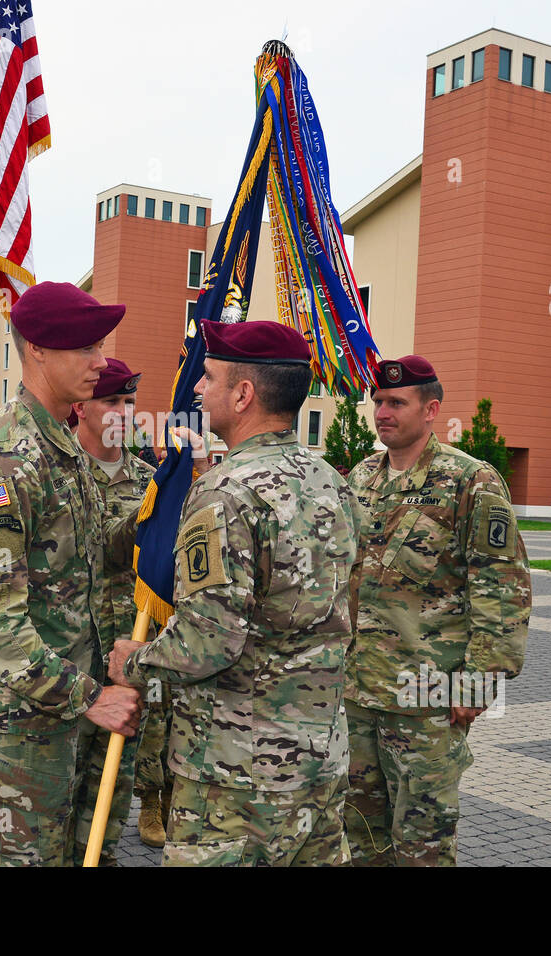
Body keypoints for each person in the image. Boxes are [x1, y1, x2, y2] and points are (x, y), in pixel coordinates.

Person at [109, 320, 358, 867]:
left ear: (243, 394)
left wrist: (136, 662)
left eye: (210, 376)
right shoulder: (332, 482)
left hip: (237, 775)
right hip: (320, 758)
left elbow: (208, 642)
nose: (196, 387)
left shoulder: (224, 493)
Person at [0, 281, 143, 867]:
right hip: (21, 720)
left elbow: (75, 568)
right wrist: (88, 698)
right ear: (37, 350)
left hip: (58, 707)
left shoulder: (63, 447)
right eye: (85, 348)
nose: (101, 361)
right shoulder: (9, 458)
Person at [343, 355, 530, 866]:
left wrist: (478, 682)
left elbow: (502, 586)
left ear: (431, 410)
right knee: (359, 834)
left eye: (396, 402)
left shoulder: (470, 480)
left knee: (422, 840)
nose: (383, 411)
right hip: (358, 690)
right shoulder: (361, 477)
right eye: (378, 401)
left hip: (428, 695)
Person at [69, 358, 155, 865]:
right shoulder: (59, 475)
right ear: (81, 406)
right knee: (58, 788)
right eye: (111, 401)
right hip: (65, 660)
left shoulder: (151, 482)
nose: (123, 412)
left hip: (125, 654)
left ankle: (99, 855)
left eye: (129, 402)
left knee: (113, 782)